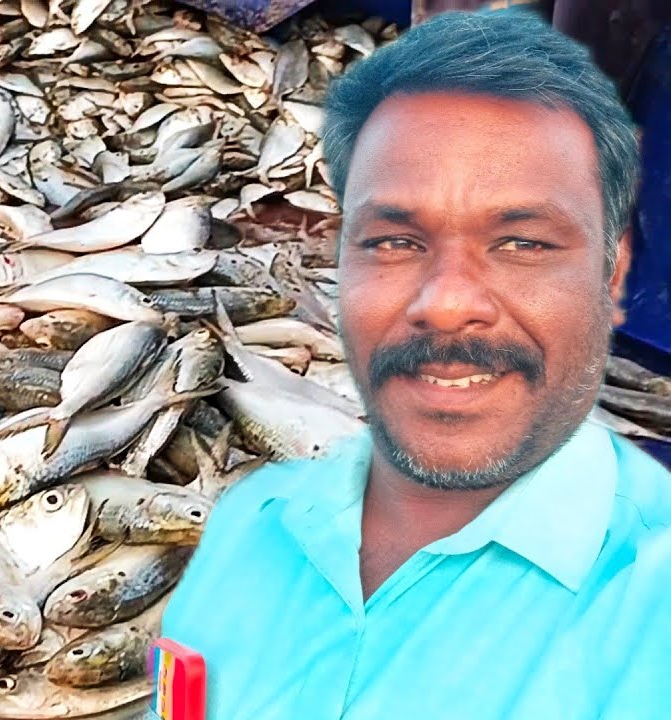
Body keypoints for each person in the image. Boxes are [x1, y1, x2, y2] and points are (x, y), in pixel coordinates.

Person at [161, 8, 671, 719]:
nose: (448, 303)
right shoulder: (253, 537)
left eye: (522, 243)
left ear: (613, 269)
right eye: (394, 241)